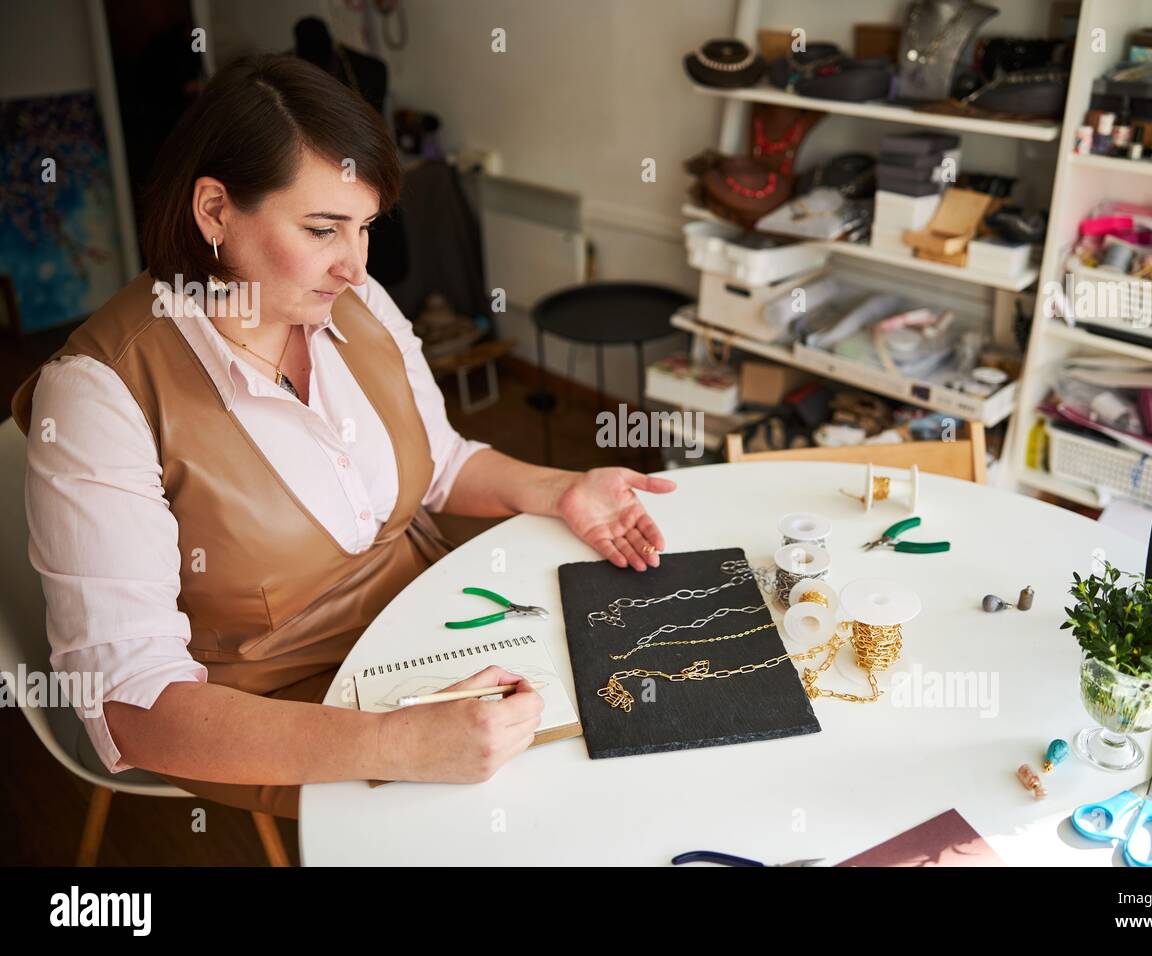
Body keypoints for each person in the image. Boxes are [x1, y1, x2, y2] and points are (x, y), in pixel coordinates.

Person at [11, 54, 676, 819]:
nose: (356, 268)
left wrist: (562, 488)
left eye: (363, 228)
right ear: (215, 211)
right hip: (279, 708)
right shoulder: (100, 395)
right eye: (323, 228)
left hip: (427, 621)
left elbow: (437, 465)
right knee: (522, 814)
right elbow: (135, 710)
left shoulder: (348, 299)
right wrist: (396, 743)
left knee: (623, 723)